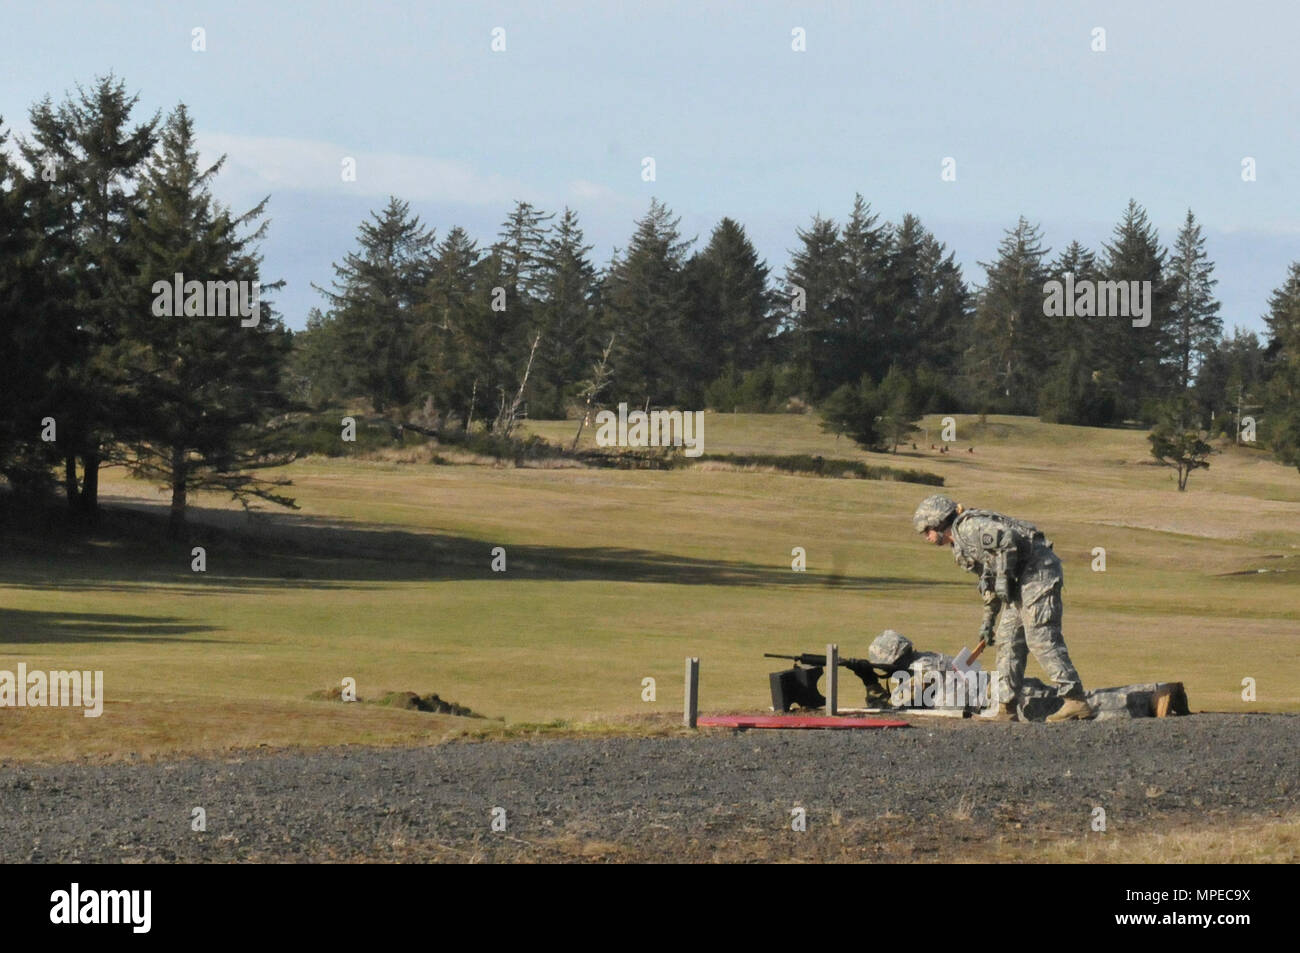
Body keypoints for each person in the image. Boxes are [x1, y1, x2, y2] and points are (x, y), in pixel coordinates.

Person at [911, 495, 1095, 722]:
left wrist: (1004, 577)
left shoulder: (969, 527)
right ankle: (1005, 707)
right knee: (1007, 640)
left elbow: (1007, 539)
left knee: (1040, 635)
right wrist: (988, 622)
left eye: (927, 530)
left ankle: (1075, 699)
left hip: (1038, 572)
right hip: (1020, 582)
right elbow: (988, 582)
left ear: (938, 522)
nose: (927, 537)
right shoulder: (960, 546)